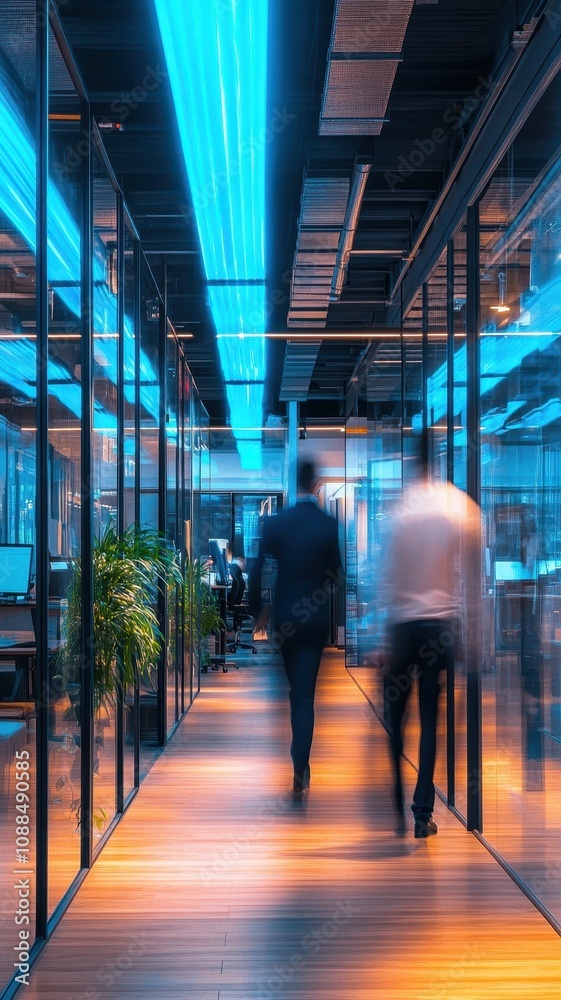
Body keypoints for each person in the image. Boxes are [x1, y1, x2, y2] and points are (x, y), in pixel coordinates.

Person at [378, 462, 480, 838]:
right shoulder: (459, 507)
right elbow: (470, 579)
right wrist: (472, 632)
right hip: (438, 629)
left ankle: (395, 799)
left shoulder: (398, 510)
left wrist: (380, 637)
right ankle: (422, 814)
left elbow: (384, 576)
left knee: (395, 718)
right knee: (429, 723)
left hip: (403, 628)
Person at [249, 460, 342, 799]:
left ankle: (299, 760)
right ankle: (300, 764)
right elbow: (336, 574)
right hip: (315, 621)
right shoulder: (328, 524)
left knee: (293, 692)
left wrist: (258, 610)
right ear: (316, 484)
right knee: (305, 695)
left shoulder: (278, 523)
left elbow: (257, 570)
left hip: (286, 621)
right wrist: (319, 598)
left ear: (295, 481)